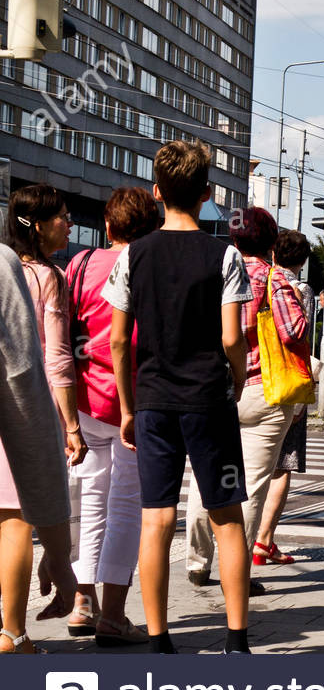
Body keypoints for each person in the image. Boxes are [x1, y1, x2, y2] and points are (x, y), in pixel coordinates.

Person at [104, 140, 254, 654]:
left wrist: (128, 405)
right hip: (208, 400)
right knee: (226, 515)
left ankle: (159, 638)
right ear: (207, 194)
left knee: (157, 517)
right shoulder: (225, 254)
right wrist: (236, 378)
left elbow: (119, 340)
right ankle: (237, 638)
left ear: (156, 192)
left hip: (152, 400)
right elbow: (233, 338)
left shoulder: (134, 255)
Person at [185, 206, 306, 595]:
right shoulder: (276, 279)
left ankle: (197, 562)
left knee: (205, 477)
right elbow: (293, 331)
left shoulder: (213, 273)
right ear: (272, 242)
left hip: (213, 389)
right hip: (261, 389)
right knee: (251, 486)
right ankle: (235, 570)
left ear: (235, 239)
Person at [65, 187, 159, 646]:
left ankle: (83, 600)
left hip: (84, 401)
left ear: (108, 225)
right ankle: (115, 614)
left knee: (90, 498)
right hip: (133, 402)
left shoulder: (80, 264)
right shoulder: (150, 270)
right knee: (126, 504)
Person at [0, 243, 81, 653]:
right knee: (13, 517)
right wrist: (59, 554)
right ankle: (12, 633)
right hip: (10, 423)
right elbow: (21, 378)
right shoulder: (2, 264)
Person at [6, 185, 85, 466]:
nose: (70, 224)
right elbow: (58, 357)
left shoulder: (6, 270)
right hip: (35, 406)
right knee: (28, 505)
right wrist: (73, 427)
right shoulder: (50, 277)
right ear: (38, 226)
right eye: (63, 217)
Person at [253, 229, 315, 567]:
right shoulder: (299, 289)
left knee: (256, 467)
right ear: (303, 260)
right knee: (282, 467)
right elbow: (301, 341)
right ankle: (263, 540)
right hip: (287, 385)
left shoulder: (261, 282)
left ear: (274, 254)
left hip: (257, 382)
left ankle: (251, 538)